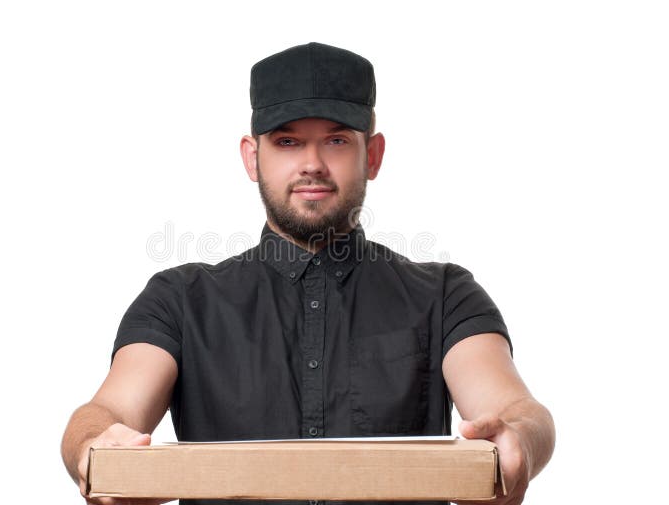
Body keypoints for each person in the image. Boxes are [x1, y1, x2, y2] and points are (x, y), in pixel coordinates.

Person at [61, 42, 555, 505]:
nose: (312, 164)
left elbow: (515, 409)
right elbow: (108, 412)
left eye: (336, 140)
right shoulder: (180, 300)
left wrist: (519, 441)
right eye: (288, 141)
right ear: (253, 157)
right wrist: (92, 447)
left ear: (372, 155)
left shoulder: (445, 295)